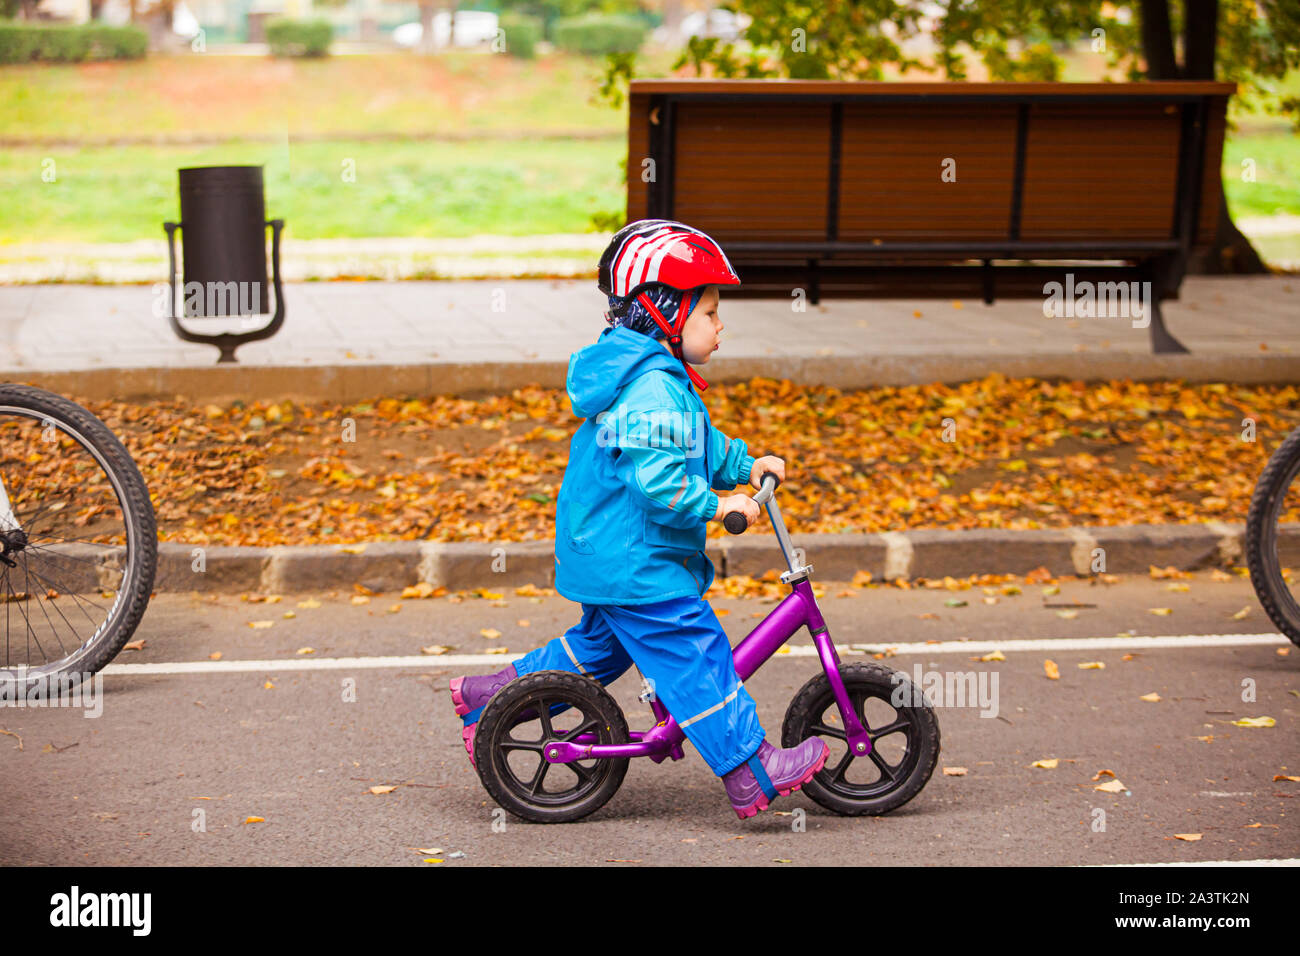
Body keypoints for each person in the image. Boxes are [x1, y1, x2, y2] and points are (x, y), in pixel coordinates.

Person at [449, 220, 828, 819]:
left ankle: (488, 699)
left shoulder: (654, 379)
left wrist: (743, 464)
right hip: (637, 561)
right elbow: (660, 483)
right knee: (694, 651)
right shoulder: (652, 386)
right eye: (709, 311)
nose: (720, 325)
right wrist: (719, 505)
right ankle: (751, 772)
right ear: (665, 312)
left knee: (598, 652)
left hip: (609, 551)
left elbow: (690, 446)